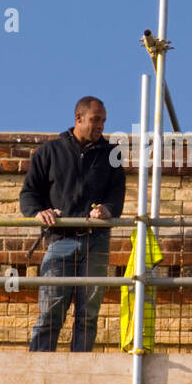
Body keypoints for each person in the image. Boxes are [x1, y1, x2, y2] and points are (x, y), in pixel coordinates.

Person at [20, 96, 126, 351]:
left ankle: (80, 372)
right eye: (95, 120)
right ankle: (40, 371)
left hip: (96, 243)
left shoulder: (113, 155)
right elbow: (28, 193)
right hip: (59, 240)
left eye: (103, 121)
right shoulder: (50, 152)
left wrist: (107, 210)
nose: (101, 125)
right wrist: (38, 211)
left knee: (88, 315)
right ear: (78, 119)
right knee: (50, 311)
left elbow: (116, 198)